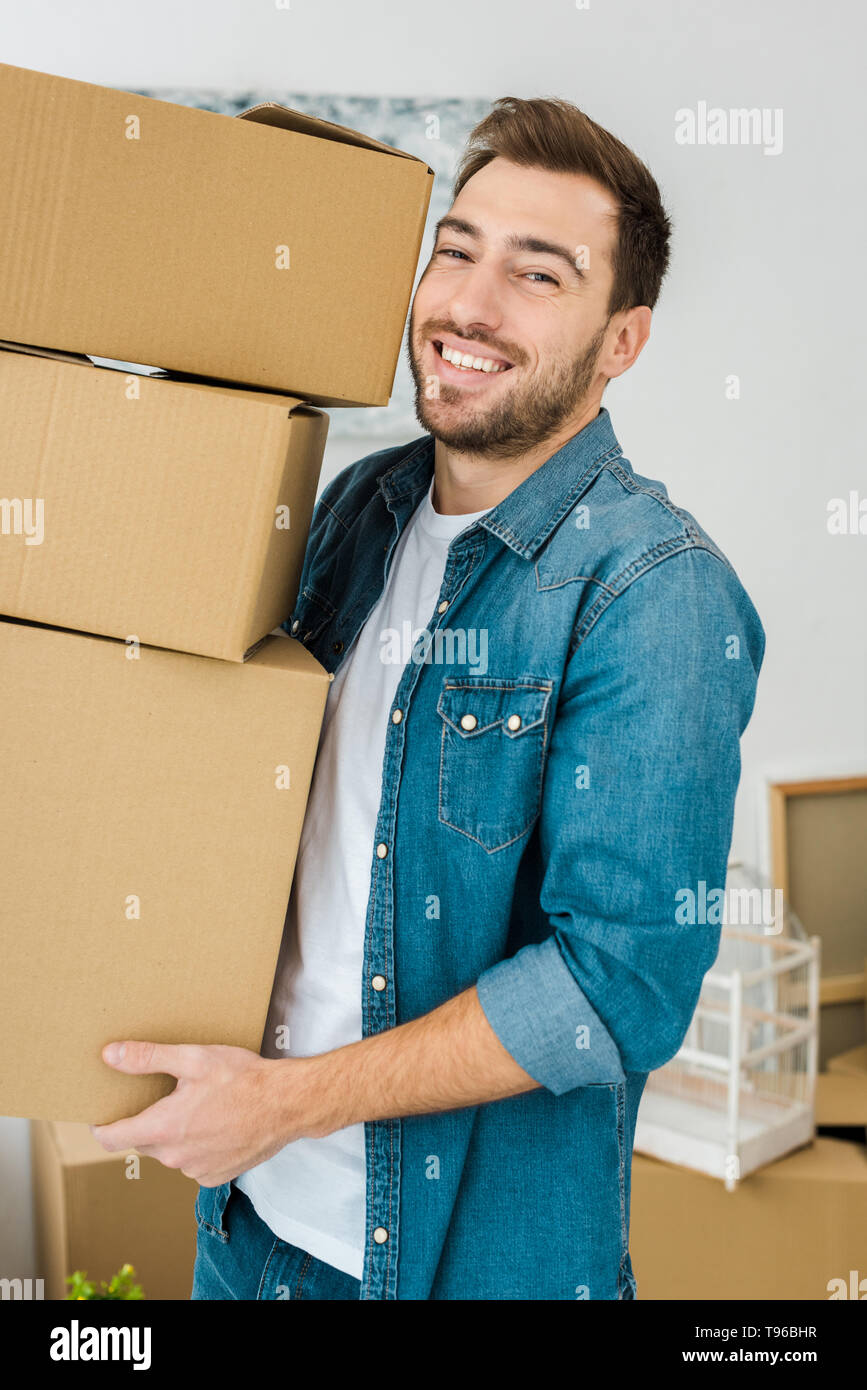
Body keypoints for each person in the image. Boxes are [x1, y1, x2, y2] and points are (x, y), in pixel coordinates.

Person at [92, 95, 765, 1301]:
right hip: (250, 1232)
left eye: (538, 274)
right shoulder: (363, 507)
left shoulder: (654, 591)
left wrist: (281, 1103)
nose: (469, 303)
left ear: (624, 340)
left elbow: (621, 982)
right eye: (455, 249)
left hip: (456, 1269)